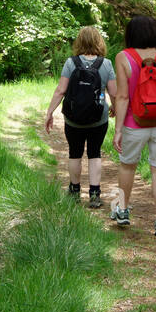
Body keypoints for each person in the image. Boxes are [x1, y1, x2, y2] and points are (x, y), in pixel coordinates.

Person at [112, 15, 156, 237]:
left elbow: (122, 97)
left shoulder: (123, 57)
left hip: (135, 122)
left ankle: (122, 210)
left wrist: (118, 129)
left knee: (127, 165)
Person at [45, 26, 117, 208]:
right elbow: (114, 93)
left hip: (73, 119)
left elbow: (61, 90)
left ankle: (75, 192)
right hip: (98, 119)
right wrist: (115, 107)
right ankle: (94, 194)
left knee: (74, 153)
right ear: (99, 42)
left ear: (79, 42)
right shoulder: (106, 64)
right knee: (95, 154)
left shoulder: (71, 63)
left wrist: (50, 112)